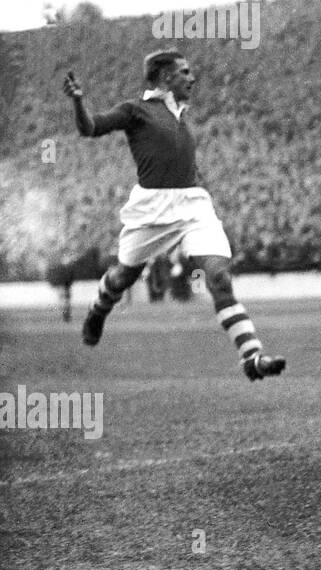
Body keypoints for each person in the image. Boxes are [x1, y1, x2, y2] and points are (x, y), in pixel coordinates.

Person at [62, 52, 286, 382]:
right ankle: (98, 310)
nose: (192, 77)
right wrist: (79, 102)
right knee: (124, 277)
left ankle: (251, 357)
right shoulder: (135, 110)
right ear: (166, 78)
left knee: (220, 278)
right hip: (151, 209)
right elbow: (90, 128)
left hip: (193, 205)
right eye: (185, 72)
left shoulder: (179, 113)